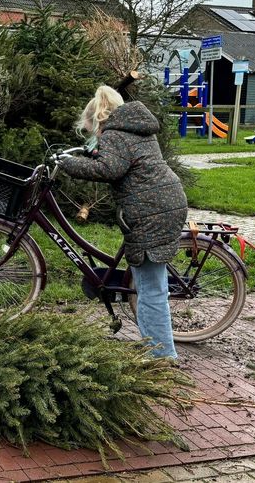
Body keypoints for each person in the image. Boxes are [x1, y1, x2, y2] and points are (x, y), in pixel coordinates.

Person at [56, 85, 187, 360]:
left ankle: (162, 358)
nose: (93, 134)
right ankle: (156, 347)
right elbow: (122, 160)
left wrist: (69, 163)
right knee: (150, 284)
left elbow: (109, 168)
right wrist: (92, 155)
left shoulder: (115, 134)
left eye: (92, 128)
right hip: (164, 201)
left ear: (98, 118)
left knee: (151, 289)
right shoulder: (135, 128)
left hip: (151, 209)